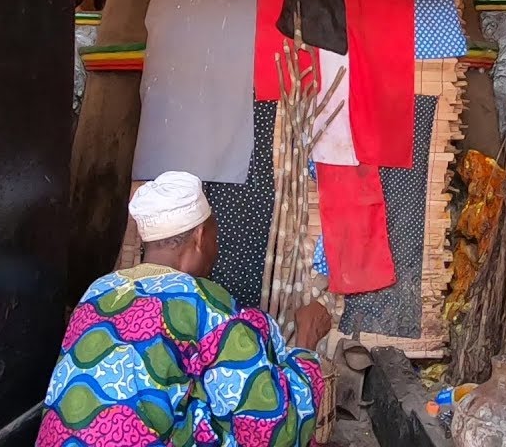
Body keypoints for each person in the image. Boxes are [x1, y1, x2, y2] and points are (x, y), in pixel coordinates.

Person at [37, 171, 332, 447]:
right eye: (215, 234)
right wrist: (306, 343)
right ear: (201, 236)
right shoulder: (203, 302)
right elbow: (272, 431)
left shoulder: (99, 290)